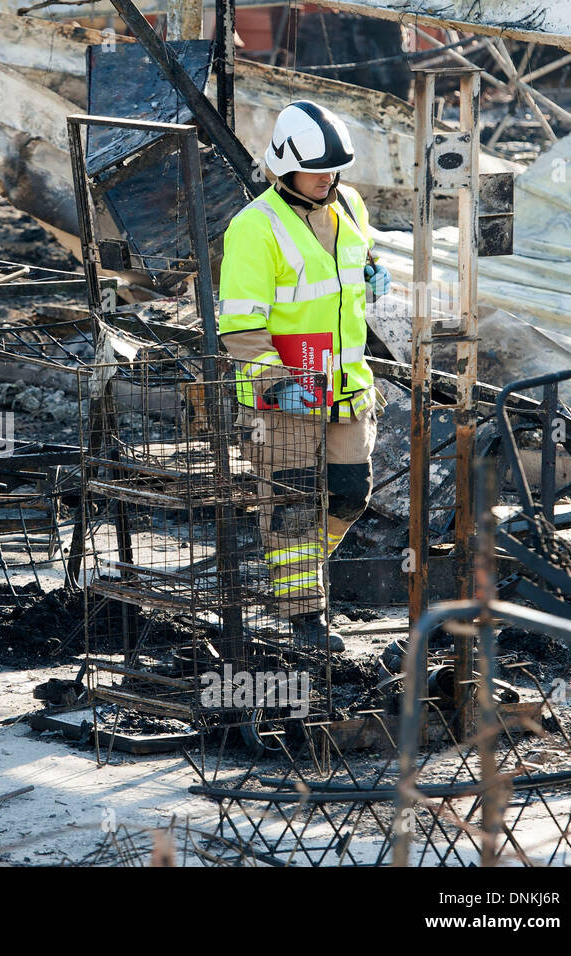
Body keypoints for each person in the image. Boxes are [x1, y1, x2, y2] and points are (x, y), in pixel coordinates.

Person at [217, 100, 391, 653]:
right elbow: (240, 325)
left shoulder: (351, 206)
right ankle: (305, 621)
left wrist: (371, 272)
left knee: (348, 497)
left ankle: (295, 579)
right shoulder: (253, 228)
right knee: (291, 508)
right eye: (317, 170)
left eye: (335, 169)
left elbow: (357, 263)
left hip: (346, 386)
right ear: (283, 164)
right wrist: (275, 382)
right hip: (283, 396)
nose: (328, 179)